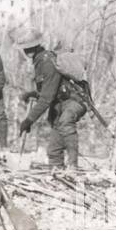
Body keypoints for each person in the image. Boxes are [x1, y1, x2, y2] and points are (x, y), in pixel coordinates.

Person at [18, 30, 87, 169]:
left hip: (74, 99)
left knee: (66, 123)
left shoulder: (47, 62)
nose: (28, 51)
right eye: (26, 49)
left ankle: (73, 166)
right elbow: (48, 90)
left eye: (31, 48)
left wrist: (29, 120)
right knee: (54, 147)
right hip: (60, 103)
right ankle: (57, 170)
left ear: (37, 46)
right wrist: (32, 94)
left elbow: (46, 98)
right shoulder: (39, 62)